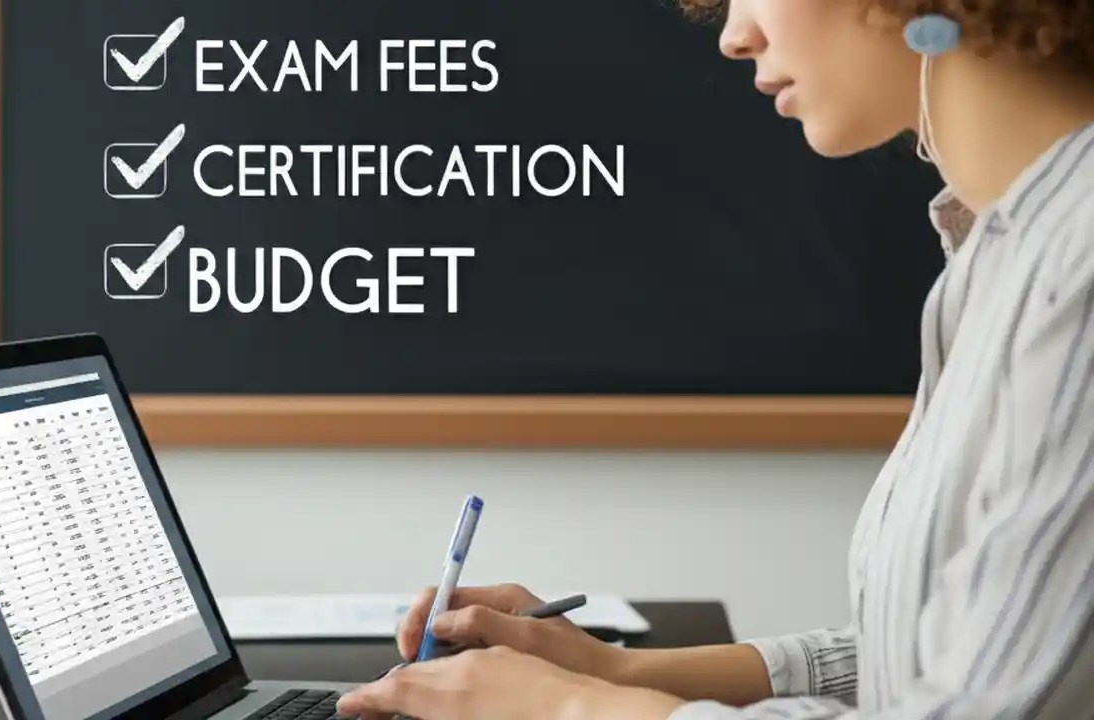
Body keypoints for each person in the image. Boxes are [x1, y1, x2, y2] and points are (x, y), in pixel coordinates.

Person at [335, 0, 1094, 718]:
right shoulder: (993, 260)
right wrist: (607, 672)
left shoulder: (1076, 268)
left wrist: (571, 708)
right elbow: (948, 651)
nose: (735, 34)